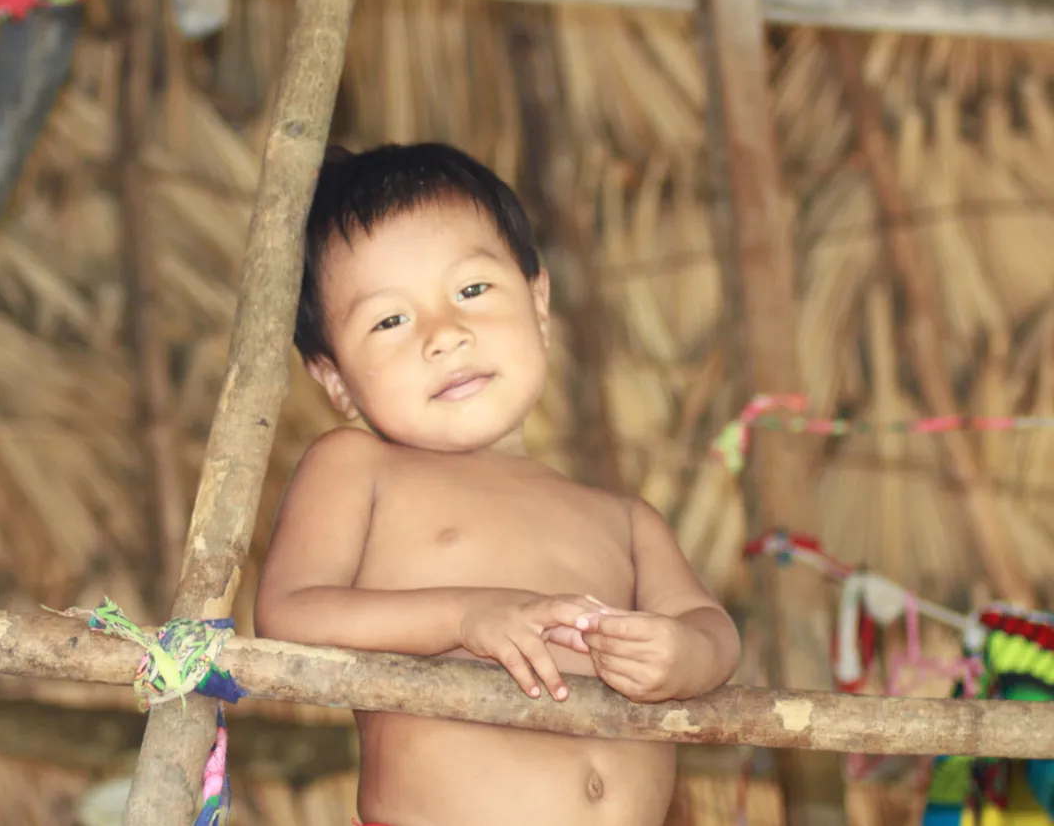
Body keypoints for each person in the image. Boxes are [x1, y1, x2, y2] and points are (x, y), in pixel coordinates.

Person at [254, 142, 740, 826]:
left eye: (472, 290)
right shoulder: (359, 467)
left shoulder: (623, 519)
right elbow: (289, 613)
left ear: (539, 301)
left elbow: (712, 629)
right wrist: (465, 616)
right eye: (390, 320)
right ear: (335, 378)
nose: (445, 334)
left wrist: (683, 655)